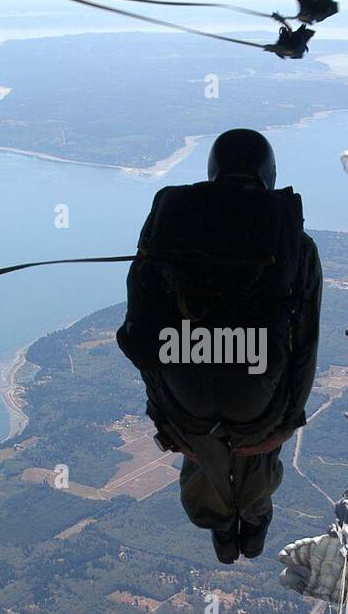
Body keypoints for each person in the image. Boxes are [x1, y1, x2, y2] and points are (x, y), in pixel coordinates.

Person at [116, 128, 322, 562]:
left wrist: (166, 417)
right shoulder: (294, 244)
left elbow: (142, 328)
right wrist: (284, 423)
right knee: (255, 449)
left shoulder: (170, 228)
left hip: (184, 381)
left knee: (205, 449)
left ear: (212, 172)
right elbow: (304, 342)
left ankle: (222, 531)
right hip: (255, 389)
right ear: (268, 177)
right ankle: (253, 525)